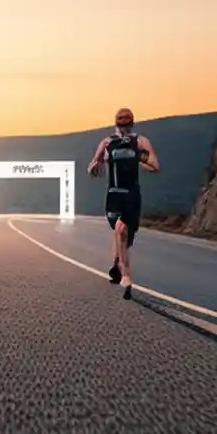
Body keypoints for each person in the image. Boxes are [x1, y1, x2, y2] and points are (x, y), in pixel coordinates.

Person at [87, 107, 159, 299]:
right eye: (121, 122)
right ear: (116, 124)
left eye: (126, 122)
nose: (124, 126)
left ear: (132, 123)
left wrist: (138, 160)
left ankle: (116, 264)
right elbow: (92, 164)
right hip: (114, 195)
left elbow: (154, 165)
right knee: (121, 231)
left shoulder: (140, 141)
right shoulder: (107, 142)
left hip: (131, 195)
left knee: (126, 234)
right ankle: (126, 276)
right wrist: (95, 166)